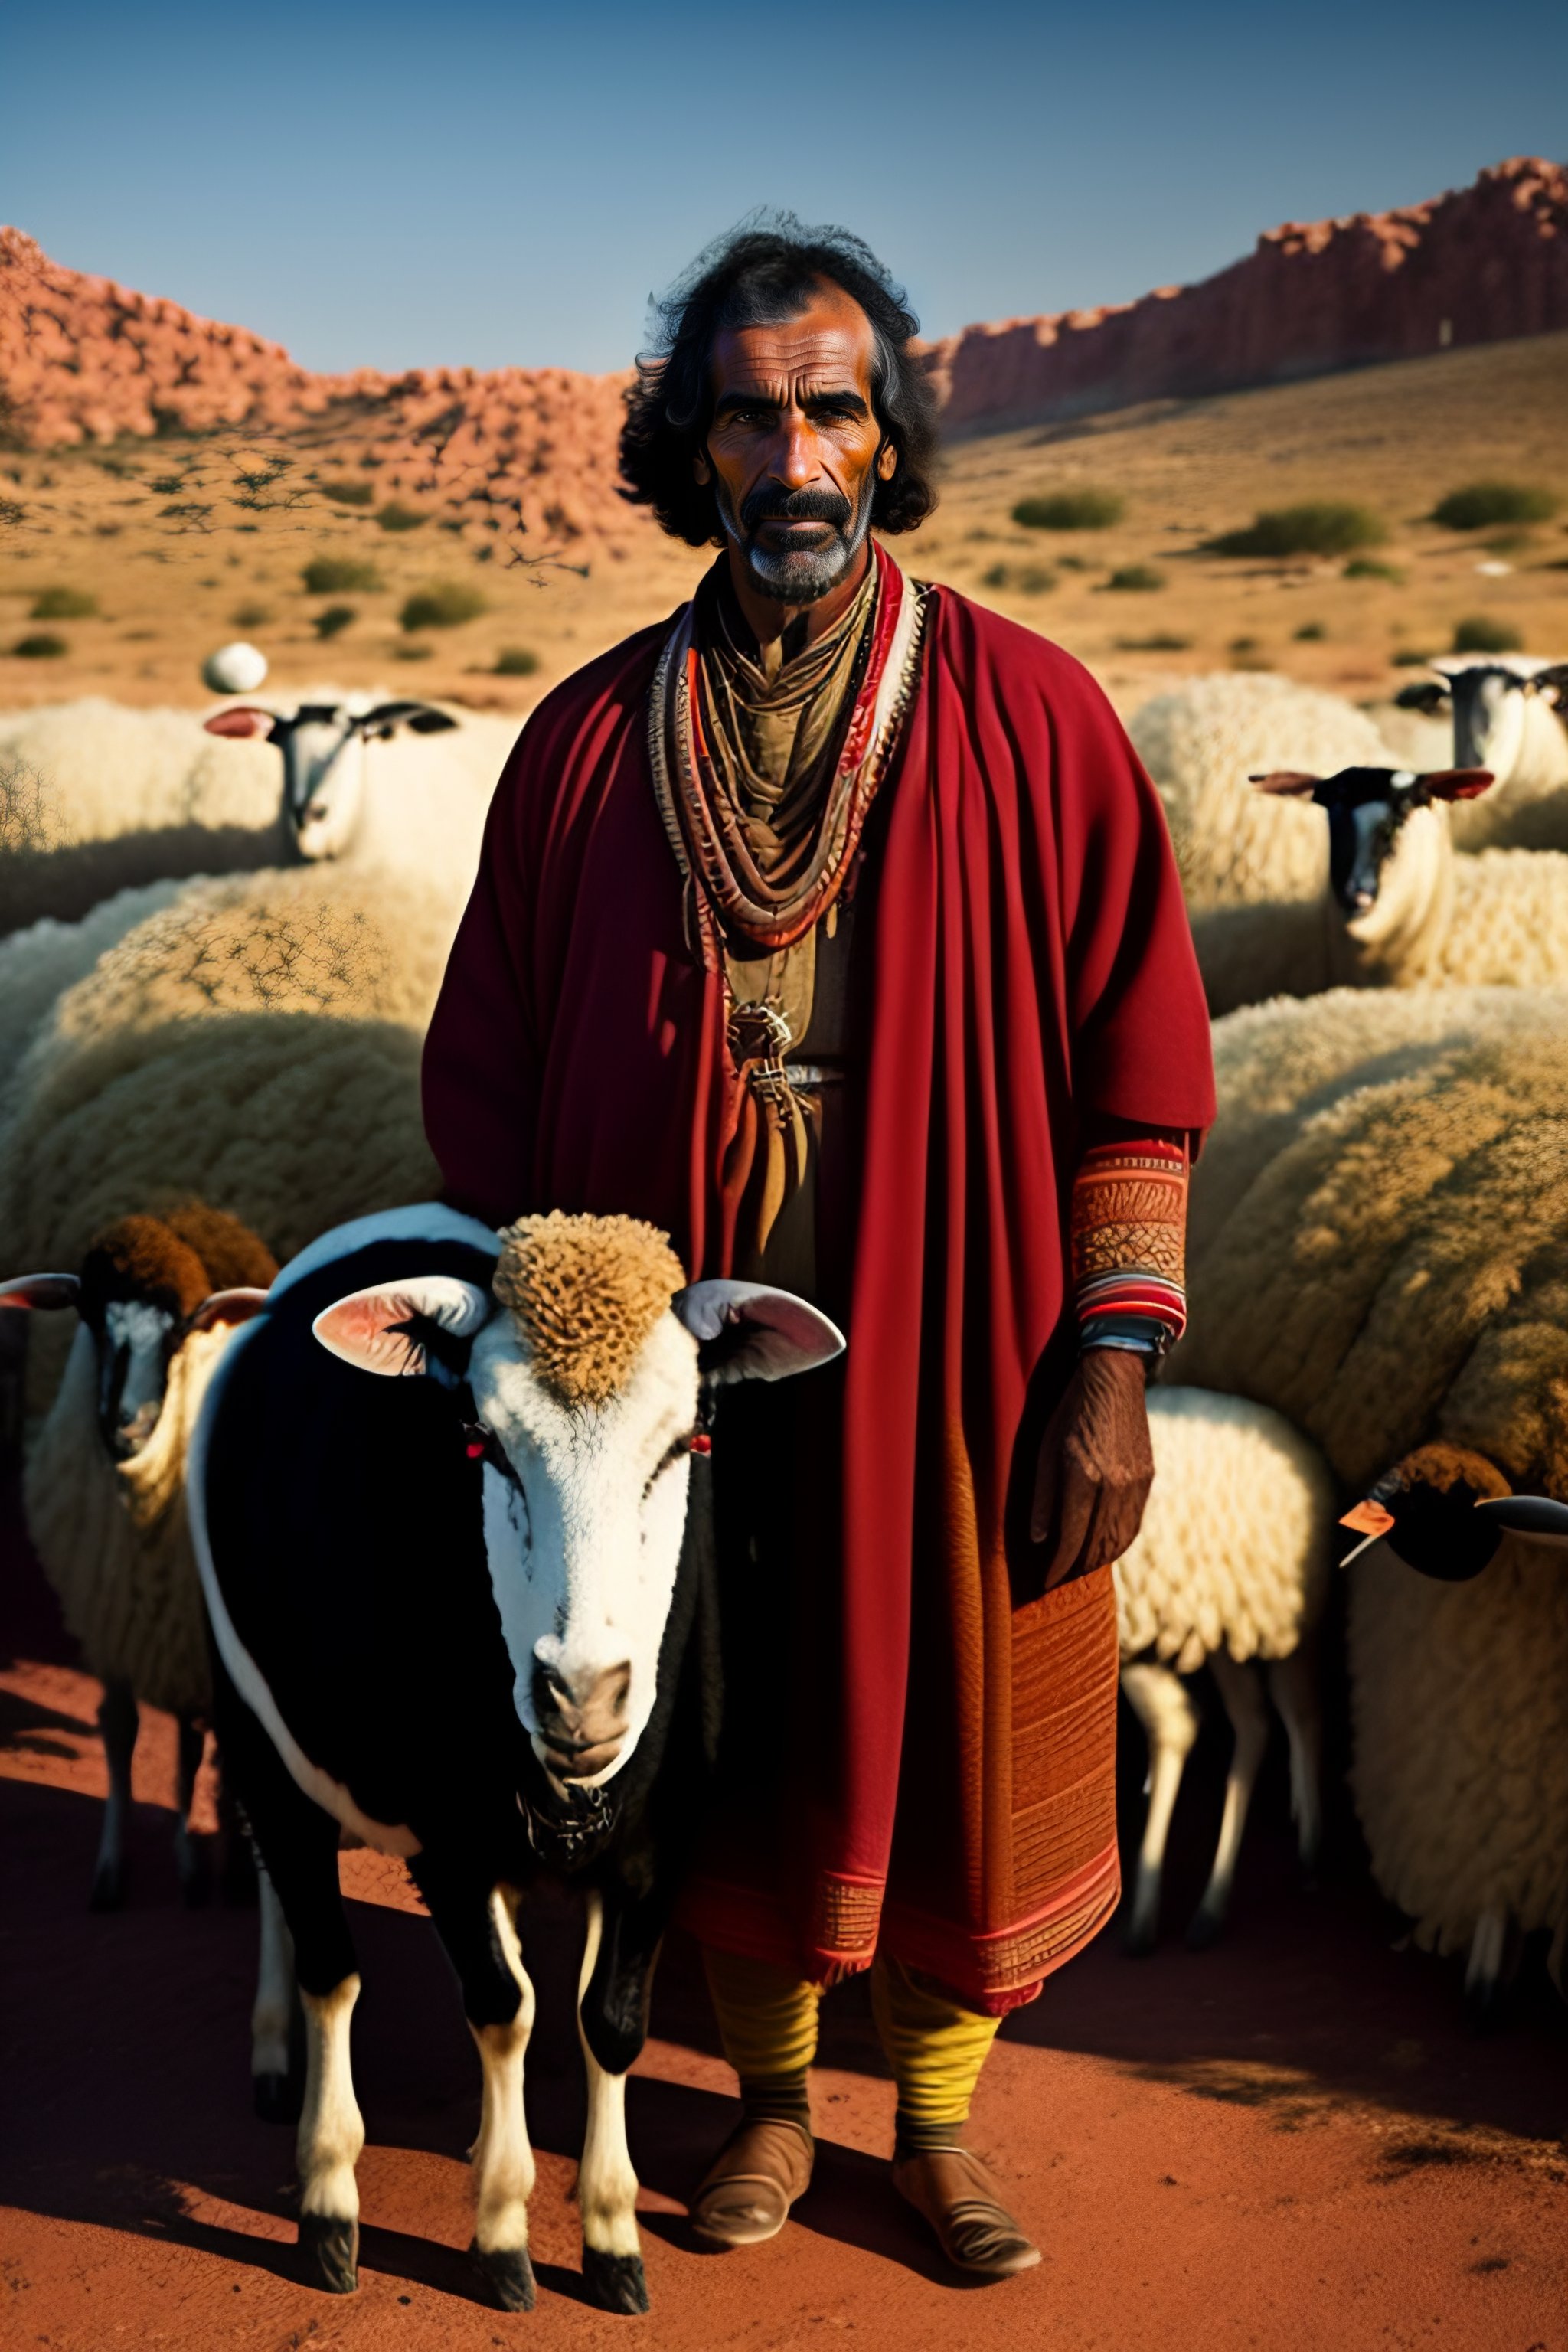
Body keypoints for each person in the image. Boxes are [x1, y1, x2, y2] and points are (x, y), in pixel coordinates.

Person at [422, 217, 1214, 2282]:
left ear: (891, 440)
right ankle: (770, 2107)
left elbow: (1144, 1066)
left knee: (937, 1711)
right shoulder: (590, 745)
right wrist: (564, 1349)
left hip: (960, 1340)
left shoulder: (1036, 718)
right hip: (666, 1375)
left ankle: (937, 2127)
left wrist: (1113, 1360)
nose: (792, 458)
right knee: (721, 1725)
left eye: (833, 412)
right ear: (689, 449)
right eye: (747, 416)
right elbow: (486, 1080)